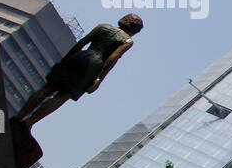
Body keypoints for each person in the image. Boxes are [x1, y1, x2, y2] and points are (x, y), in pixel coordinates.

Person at [14, 13, 144, 128]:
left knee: (48, 88)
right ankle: (29, 122)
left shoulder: (103, 26)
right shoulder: (127, 41)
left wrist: (65, 60)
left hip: (80, 56)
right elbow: (111, 59)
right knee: (63, 95)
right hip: (93, 66)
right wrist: (99, 79)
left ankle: (20, 116)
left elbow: (81, 43)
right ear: (134, 30)